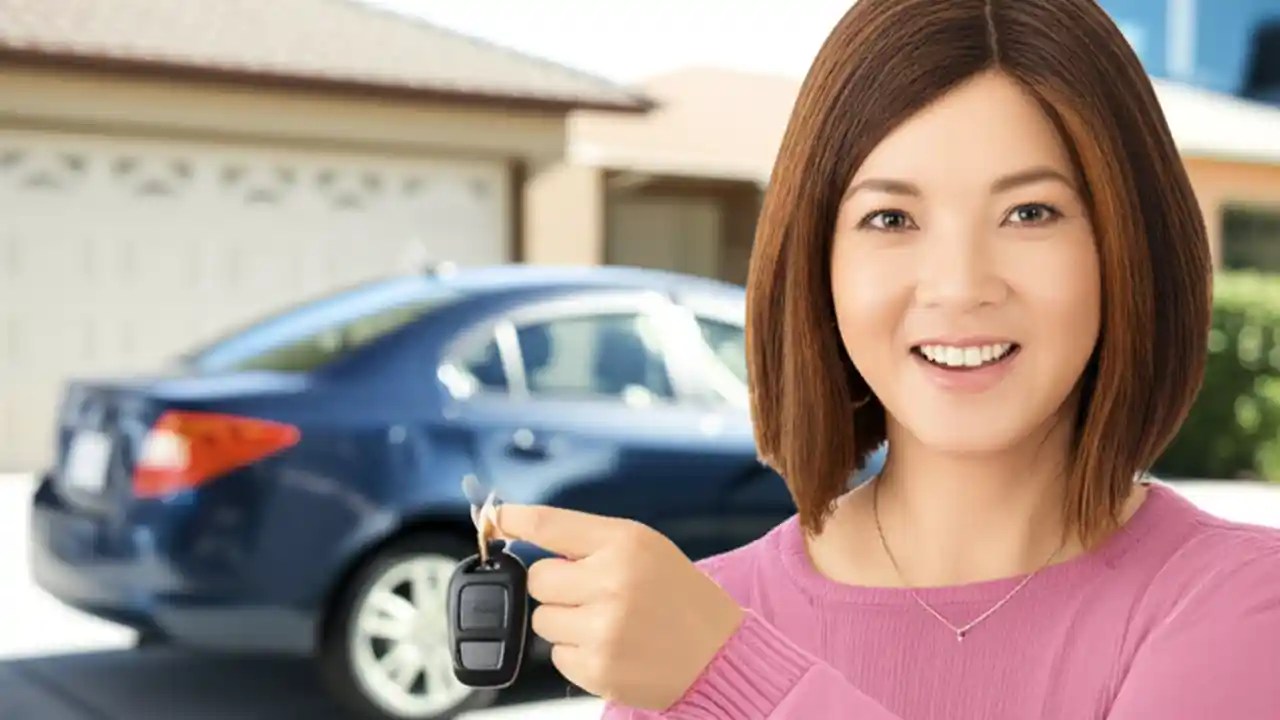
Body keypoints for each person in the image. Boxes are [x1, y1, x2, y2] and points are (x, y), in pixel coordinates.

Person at [494, 0, 1280, 717]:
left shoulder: (1237, 599)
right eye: (891, 216)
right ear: (817, 262)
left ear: (1127, 247)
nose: (959, 285)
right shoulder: (692, 623)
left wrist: (731, 680)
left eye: (1029, 212)